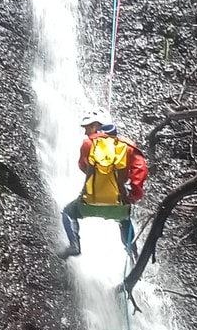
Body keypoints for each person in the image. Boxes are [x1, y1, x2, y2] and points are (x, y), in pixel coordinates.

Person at [60, 110, 149, 259]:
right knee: (125, 220)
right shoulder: (128, 146)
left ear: (96, 126)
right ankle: (133, 255)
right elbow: (141, 170)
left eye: (87, 127)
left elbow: (83, 166)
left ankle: (74, 245)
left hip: (89, 203)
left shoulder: (88, 144)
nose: (85, 132)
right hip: (117, 203)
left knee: (68, 213)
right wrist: (133, 196)